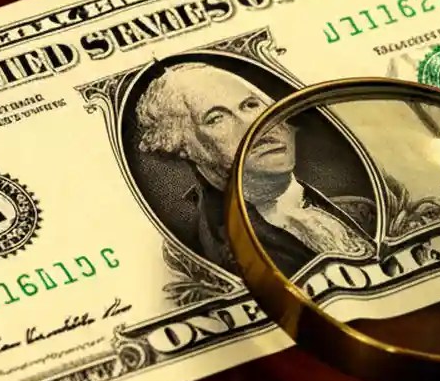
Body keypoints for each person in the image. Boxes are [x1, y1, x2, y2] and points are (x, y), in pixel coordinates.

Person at [134, 61, 377, 277]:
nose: (253, 123)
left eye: (251, 105)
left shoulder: (359, 209)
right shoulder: (228, 255)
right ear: (182, 145)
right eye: (217, 118)